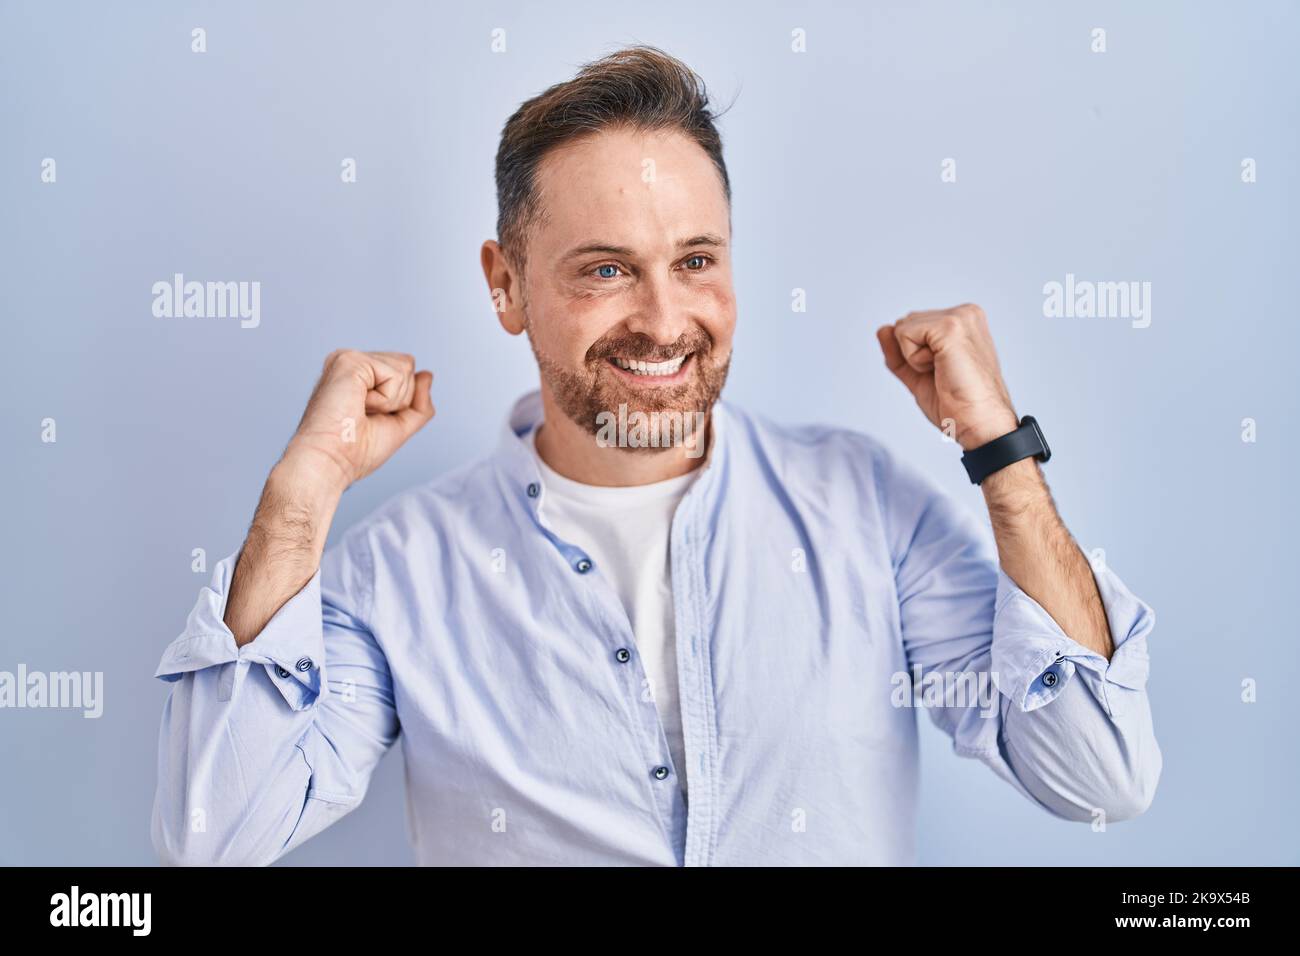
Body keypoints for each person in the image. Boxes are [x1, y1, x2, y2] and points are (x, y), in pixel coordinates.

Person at [150, 46, 1160, 866]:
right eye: (605, 269)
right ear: (505, 286)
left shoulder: (869, 510)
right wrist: (298, 501)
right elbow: (214, 833)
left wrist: (1001, 454)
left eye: (695, 261)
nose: (665, 319)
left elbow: (1098, 774)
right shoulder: (401, 569)